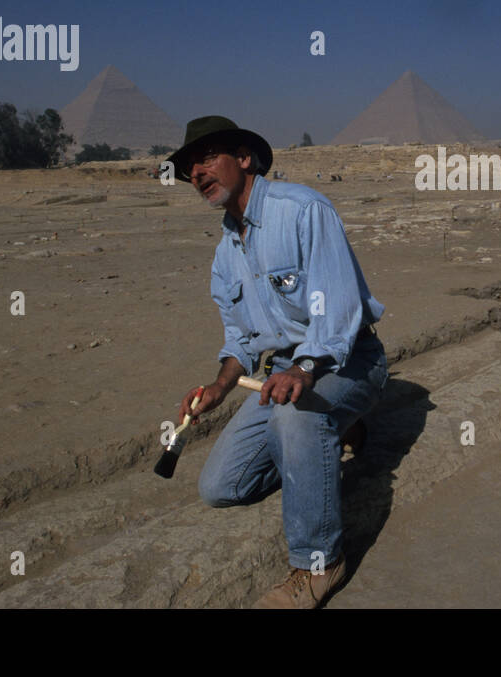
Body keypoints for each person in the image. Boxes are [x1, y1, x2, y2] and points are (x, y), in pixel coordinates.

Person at [166, 116, 388, 608]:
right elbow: (240, 341)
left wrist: (304, 371)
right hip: (286, 372)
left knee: (294, 417)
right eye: (187, 168)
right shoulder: (225, 256)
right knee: (221, 486)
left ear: (244, 158)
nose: (196, 173)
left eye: (206, 158)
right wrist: (219, 388)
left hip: (350, 359)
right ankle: (333, 431)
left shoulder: (303, 209)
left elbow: (338, 315)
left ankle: (319, 564)